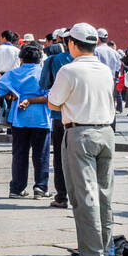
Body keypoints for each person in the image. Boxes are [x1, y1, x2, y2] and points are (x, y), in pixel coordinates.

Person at [48, 24, 117, 256]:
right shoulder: (106, 70)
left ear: (73, 44)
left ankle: (92, 254)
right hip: (106, 133)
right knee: (104, 194)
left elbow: (54, 102)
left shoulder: (69, 70)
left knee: (85, 195)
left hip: (80, 133)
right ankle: (105, 248)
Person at [0, 44, 52, 198]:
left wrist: (11, 94)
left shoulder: (13, 73)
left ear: (21, 59)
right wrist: (32, 100)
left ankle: (17, 188)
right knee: (41, 155)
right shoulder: (43, 73)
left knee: (19, 154)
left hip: (19, 118)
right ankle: (40, 187)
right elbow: (51, 96)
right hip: (41, 119)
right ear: (39, 59)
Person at [39, 30, 75, 208]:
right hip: (82, 116)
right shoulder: (94, 61)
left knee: (61, 158)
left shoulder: (53, 60)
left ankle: (62, 196)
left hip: (59, 114)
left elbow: (44, 84)